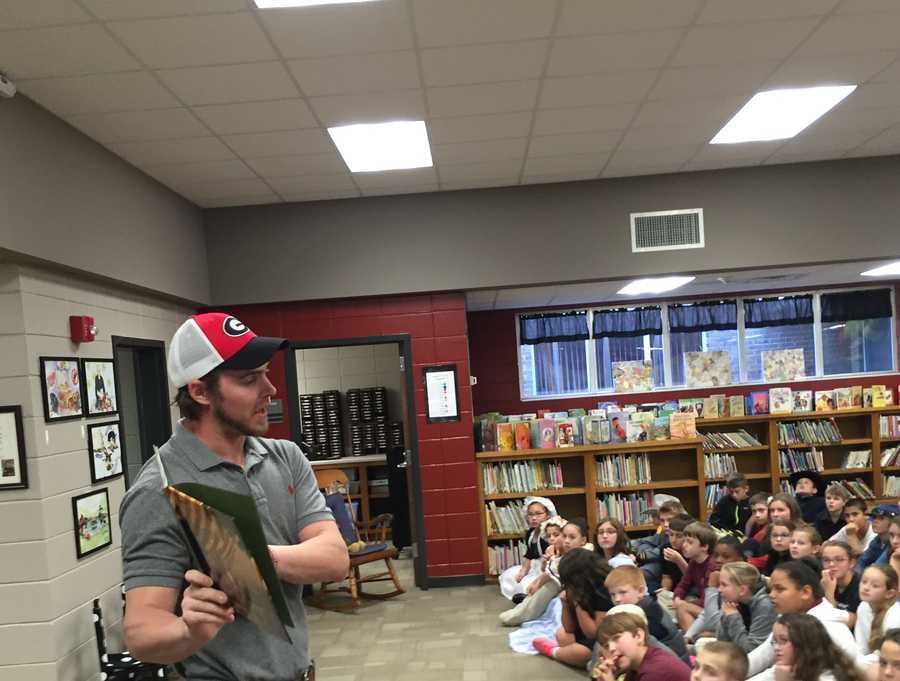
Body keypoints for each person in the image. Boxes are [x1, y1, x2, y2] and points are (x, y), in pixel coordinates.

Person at [120, 312, 348, 681]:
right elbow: (141, 630)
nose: (270, 390)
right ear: (199, 391)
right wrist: (188, 630)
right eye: (249, 379)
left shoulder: (286, 458)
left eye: (265, 373)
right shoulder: (157, 489)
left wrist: (254, 559)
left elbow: (335, 558)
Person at [746, 559, 857, 681]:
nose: (771, 595)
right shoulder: (789, 617)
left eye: (779, 589)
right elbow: (763, 656)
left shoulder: (827, 627)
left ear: (805, 592)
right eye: (770, 589)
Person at [533, 548, 613, 666]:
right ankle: (567, 653)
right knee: (560, 635)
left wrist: (578, 604)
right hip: (589, 630)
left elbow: (594, 633)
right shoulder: (575, 587)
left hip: (606, 635)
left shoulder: (604, 590)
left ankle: (553, 652)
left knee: (583, 653)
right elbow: (569, 629)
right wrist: (565, 604)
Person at [605, 565, 689, 662]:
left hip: (676, 664)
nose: (617, 599)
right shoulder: (636, 607)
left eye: (623, 592)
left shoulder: (649, 611)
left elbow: (645, 648)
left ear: (640, 591)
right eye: (612, 594)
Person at [499, 515, 568, 626]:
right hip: (553, 577)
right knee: (536, 587)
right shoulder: (551, 549)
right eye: (549, 536)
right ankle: (519, 609)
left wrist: (538, 583)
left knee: (548, 586)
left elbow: (556, 572)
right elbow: (544, 570)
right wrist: (545, 562)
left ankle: (523, 614)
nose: (552, 538)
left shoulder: (567, 549)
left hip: (562, 581)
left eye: (556, 535)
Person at [592, 611, 692, 681]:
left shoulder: (655, 671)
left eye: (616, 638)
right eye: (606, 646)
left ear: (639, 636)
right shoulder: (637, 664)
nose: (612, 648)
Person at [770, 612, 865, 681]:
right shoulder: (788, 669)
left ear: (805, 643)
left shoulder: (828, 678)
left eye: (784, 640)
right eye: (775, 641)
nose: (776, 648)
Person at [685, 536, 744, 644]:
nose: (718, 560)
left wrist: (712, 587)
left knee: (701, 642)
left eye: (725, 557)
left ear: (740, 560)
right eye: (715, 556)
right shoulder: (719, 576)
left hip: (737, 640)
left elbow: (713, 624)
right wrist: (688, 636)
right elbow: (705, 613)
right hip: (719, 629)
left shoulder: (739, 585)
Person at [499, 496, 556, 601]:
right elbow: (529, 554)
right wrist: (523, 571)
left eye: (538, 514)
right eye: (530, 514)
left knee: (528, 583)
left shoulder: (551, 533)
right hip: (534, 566)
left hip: (547, 568)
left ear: (548, 515)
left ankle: (528, 597)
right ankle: (521, 594)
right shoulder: (530, 533)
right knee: (508, 575)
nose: (534, 518)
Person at [715, 561, 777, 653]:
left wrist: (733, 617)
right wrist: (725, 617)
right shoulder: (734, 602)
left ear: (742, 590)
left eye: (724, 585)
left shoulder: (765, 606)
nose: (719, 589)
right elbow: (722, 644)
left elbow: (751, 651)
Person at [674, 522, 718, 632]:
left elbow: (707, 600)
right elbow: (683, 584)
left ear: (704, 546)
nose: (684, 545)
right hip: (700, 605)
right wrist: (677, 597)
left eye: (690, 542)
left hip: (714, 611)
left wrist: (684, 604)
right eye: (684, 541)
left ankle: (693, 638)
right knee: (663, 596)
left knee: (682, 608)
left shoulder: (712, 566)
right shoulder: (694, 562)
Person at [855, 565, 900, 658]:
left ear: (889, 593)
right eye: (864, 582)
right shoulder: (863, 607)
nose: (866, 588)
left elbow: (885, 655)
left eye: (875, 585)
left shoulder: (895, 615)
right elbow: (861, 647)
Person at [820, 540, 861, 629]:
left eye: (839, 560)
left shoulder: (861, 585)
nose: (831, 564)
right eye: (826, 560)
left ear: (852, 563)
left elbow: (846, 625)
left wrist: (829, 594)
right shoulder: (824, 581)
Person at [856, 505, 900, 576]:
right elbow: (861, 561)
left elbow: (877, 568)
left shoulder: (891, 545)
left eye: (881, 518)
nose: (875, 521)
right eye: (874, 517)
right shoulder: (877, 541)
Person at [709, 472, 751, 537]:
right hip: (726, 535)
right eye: (731, 492)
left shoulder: (751, 502)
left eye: (737, 491)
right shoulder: (723, 501)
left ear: (746, 489)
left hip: (745, 536)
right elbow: (714, 520)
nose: (734, 495)